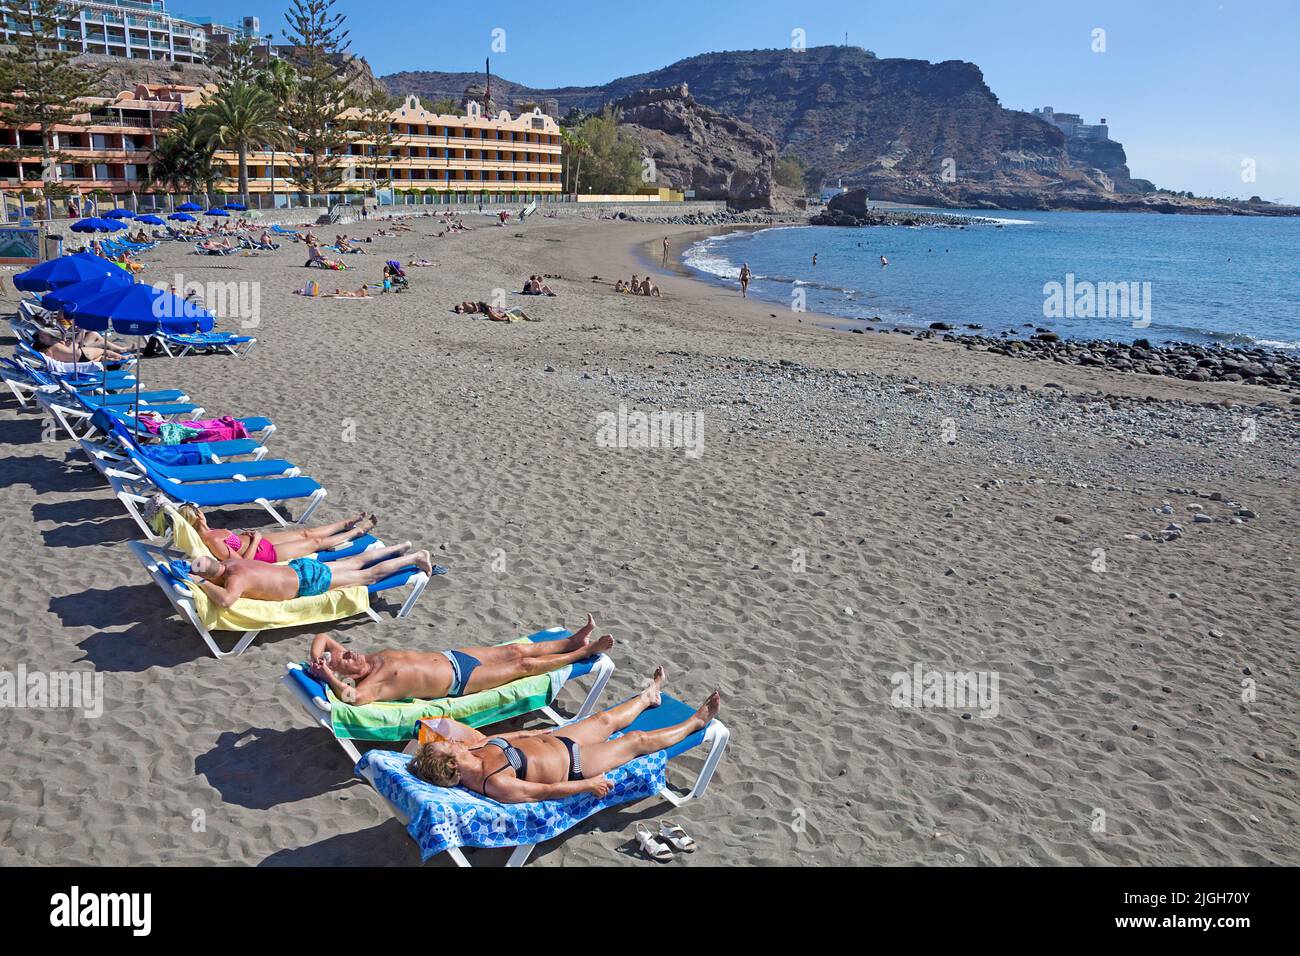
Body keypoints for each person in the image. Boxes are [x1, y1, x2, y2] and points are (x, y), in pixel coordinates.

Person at [408, 667, 722, 804]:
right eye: (448, 747)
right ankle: (696, 722)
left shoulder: (473, 749)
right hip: (575, 763)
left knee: (604, 718)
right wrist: (588, 784)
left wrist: (540, 731)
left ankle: (649, 695)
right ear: (452, 767)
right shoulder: (496, 784)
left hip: (558, 739)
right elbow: (542, 792)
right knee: (635, 740)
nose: (451, 741)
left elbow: (508, 738)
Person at [305, 614, 614, 705]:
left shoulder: (369, 659)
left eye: (344, 650)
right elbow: (352, 699)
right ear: (345, 673)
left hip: (453, 657)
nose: (349, 651)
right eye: (344, 658)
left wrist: (318, 658)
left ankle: (571, 640)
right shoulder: (371, 684)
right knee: (524, 667)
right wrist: (327, 677)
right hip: (459, 682)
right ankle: (584, 652)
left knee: (515, 650)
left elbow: (322, 638)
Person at [186, 541, 434, 607]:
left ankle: (414, 557)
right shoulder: (231, 563)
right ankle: (400, 548)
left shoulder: (234, 580)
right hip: (299, 567)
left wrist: (200, 583)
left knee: (366, 577)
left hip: (307, 581)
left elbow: (227, 601)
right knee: (354, 562)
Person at [168, 502, 376, 564]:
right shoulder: (210, 539)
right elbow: (239, 562)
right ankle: (357, 532)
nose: (201, 511)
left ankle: (346, 523)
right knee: (315, 543)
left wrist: (255, 538)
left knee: (306, 533)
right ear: (195, 517)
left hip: (262, 541)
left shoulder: (210, 531)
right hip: (262, 554)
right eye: (197, 511)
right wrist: (256, 539)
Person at [32, 328, 132, 365]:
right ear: (41, 340)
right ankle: (123, 356)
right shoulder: (55, 345)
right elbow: (72, 349)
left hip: (79, 363)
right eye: (42, 335)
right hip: (80, 354)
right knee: (101, 349)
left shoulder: (49, 352)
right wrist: (78, 336)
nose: (45, 334)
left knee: (100, 355)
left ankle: (113, 359)